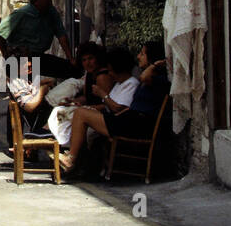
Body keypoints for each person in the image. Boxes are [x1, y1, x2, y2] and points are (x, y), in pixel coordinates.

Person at [64, 43, 169, 174]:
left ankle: (72, 159)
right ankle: (79, 162)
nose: (139, 56)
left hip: (134, 124)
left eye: (142, 54)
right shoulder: (147, 80)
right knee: (79, 114)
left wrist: (153, 65)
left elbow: (142, 79)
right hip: (127, 119)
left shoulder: (155, 79)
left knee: (81, 114)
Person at [0, 0, 78, 80]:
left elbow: (61, 36)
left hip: (38, 57)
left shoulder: (51, 12)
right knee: (31, 82)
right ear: (36, 1)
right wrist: (6, 55)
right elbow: (0, 32)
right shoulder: (22, 14)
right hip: (21, 58)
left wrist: (71, 58)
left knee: (71, 70)